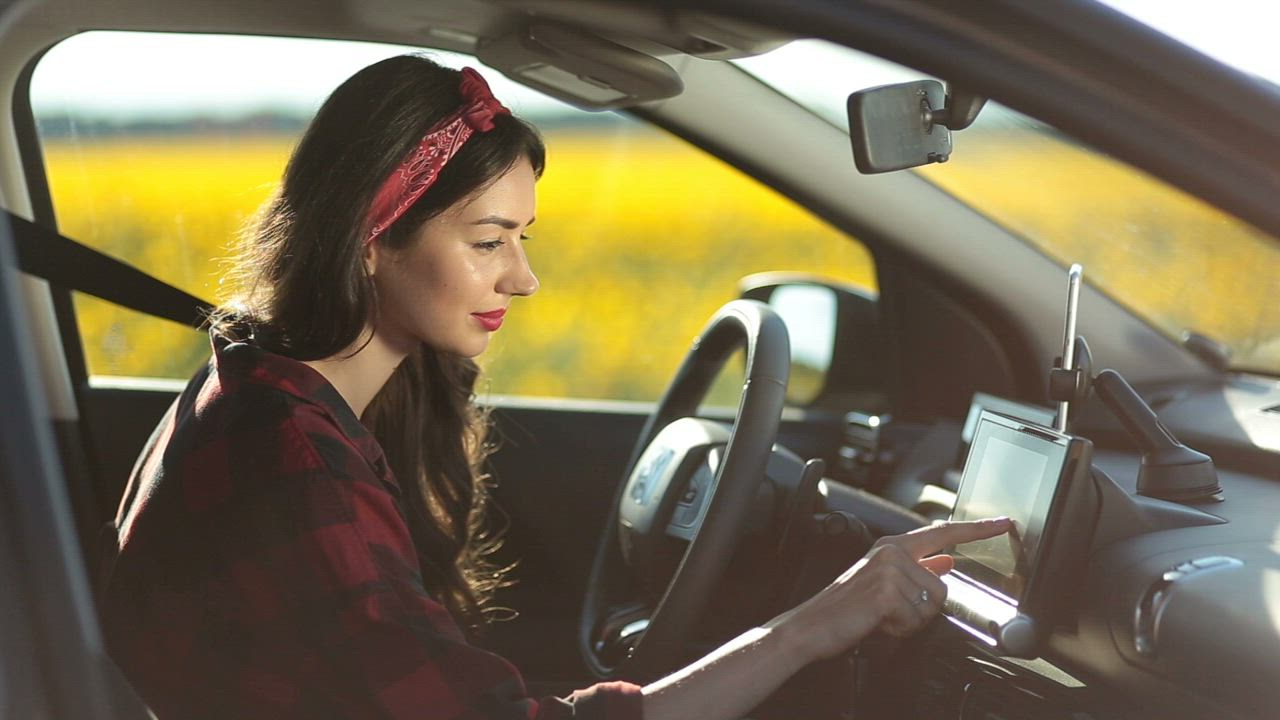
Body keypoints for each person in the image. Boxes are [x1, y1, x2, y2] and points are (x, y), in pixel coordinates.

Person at [100, 55, 1011, 720]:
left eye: (522, 238)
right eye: (488, 241)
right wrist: (811, 627)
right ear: (368, 240)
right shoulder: (295, 462)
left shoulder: (268, 395)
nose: (524, 279)